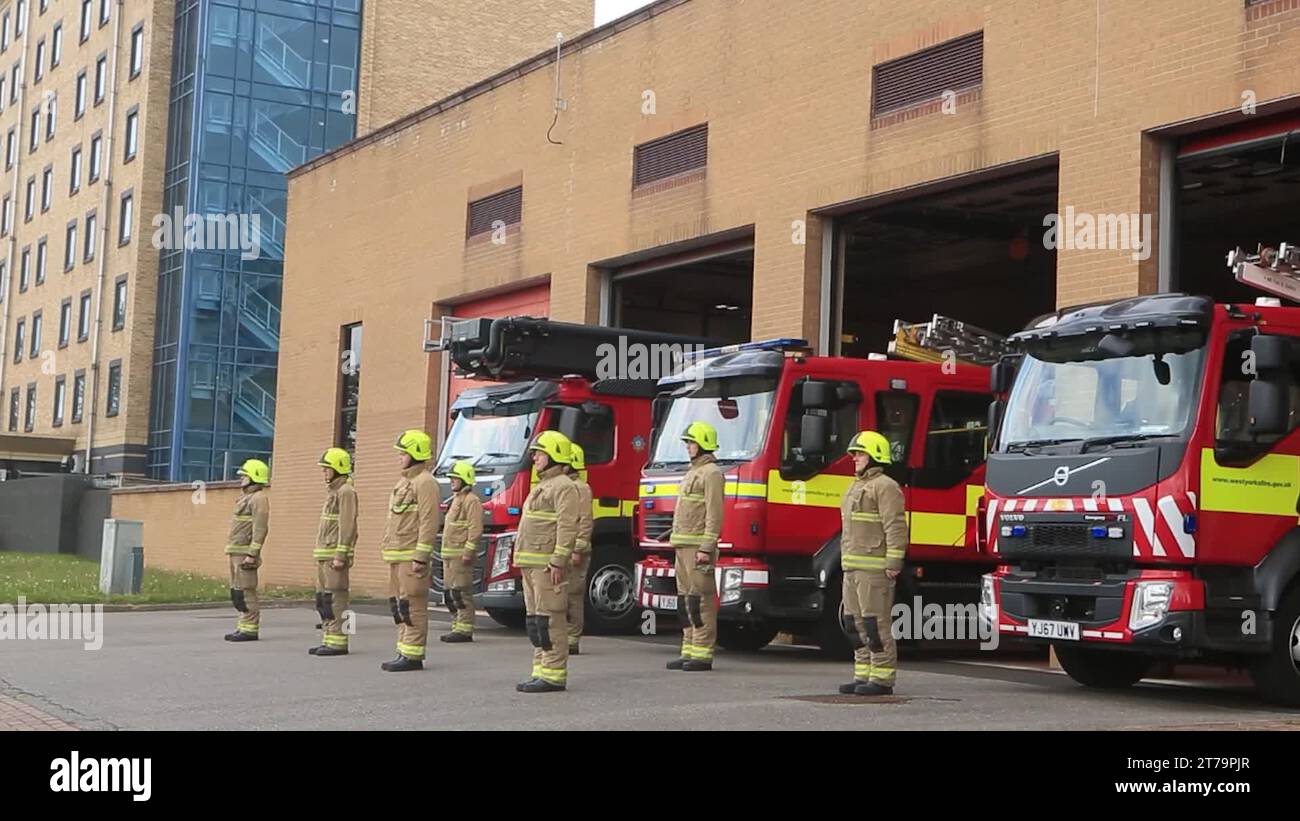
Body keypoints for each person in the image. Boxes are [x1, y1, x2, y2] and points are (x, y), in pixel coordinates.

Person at [838, 430, 908, 696]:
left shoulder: (886, 486)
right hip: (852, 566)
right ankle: (863, 674)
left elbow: (895, 526)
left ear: (875, 455)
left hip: (874, 568)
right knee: (852, 622)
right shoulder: (855, 486)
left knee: (874, 624)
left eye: (860, 453)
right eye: (854, 453)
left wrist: (893, 561)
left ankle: (882, 679)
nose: (854, 457)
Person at [513, 430, 581, 693]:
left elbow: (567, 527)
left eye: (540, 453)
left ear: (555, 455)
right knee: (536, 620)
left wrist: (558, 561)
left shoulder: (564, 487)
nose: (535, 457)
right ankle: (540, 670)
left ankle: (553, 674)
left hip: (547, 566)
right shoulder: (542, 485)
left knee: (551, 618)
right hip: (531, 564)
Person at [379, 430, 439, 672]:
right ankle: (403, 648)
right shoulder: (404, 482)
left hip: (411, 555)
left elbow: (429, 521)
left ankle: (413, 654)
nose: (400, 457)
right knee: (399, 605)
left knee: (413, 604)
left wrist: (421, 556)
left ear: (415, 453)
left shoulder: (425, 482)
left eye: (403, 453)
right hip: (397, 553)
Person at [667, 422, 724, 672]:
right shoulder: (693, 472)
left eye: (691, 442)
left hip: (698, 548)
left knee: (700, 601)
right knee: (685, 601)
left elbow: (714, 513)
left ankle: (702, 653)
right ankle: (689, 649)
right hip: (683, 546)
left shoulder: (711, 473)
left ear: (702, 444)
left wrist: (706, 546)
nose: (688, 447)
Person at [310, 448, 358, 657]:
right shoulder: (333, 492)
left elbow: (348, 526)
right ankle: (329, 638)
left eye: (327, 469)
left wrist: (341, 554)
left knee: (337, 598)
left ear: (338, 468)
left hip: (333, 554)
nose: (324, 473)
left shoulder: (346, 492)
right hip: (324, 552)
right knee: (324, 599)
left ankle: (339, 641)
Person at [225, 459, 271, 642]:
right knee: (238, 592)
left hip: (245, 553)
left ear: (254, 477)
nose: (241, 478)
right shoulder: (246, 497)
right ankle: (243, 626)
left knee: (247, 590)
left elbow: (260, 528)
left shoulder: (259, 499)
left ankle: (250, 629)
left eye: (245, 475)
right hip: (236, 550)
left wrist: (253, 553)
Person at [439, 459, 483, 644]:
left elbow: (475, 528)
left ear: (465, 479)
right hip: (449, 554)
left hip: (460, 555)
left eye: (455, 478)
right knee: (450, 592)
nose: (452, 481)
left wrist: (468, 551)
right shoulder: (456, 500)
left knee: (461, 591)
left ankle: (464, 629)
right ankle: (457, 625)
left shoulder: (471, 501)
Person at [565, 443, 593, 655]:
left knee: (573, 594)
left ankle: (572, 638)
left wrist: (578, 549)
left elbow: (584, 521)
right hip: (562, 548)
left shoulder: (581, 489)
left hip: (575, 550)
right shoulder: (565, 486)